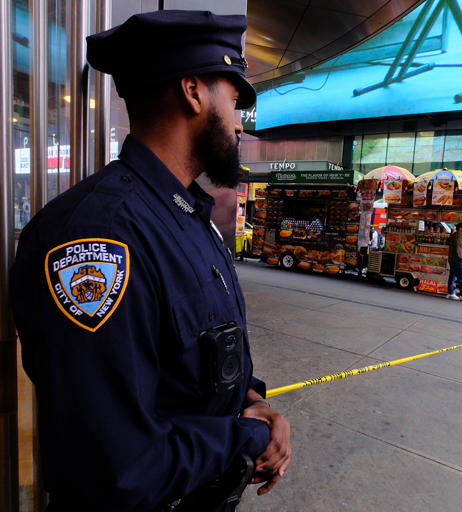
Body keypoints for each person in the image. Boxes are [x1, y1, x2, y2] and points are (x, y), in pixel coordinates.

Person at [9, 11, 291, 510]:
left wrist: (253, 402)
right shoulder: (99, 239)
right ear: (193, 92)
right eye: (235, 98)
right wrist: (245, 438)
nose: (241, 122)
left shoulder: (186, 216)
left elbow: (190, 362)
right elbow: (115, 468)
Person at [447, 222, 462, 303]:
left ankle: (451, 293)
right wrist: (461, 258)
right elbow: (458, 249)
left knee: (453, 276)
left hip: (453, 259)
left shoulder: (458, 236)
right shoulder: (457, 236)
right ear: (461, 228)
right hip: (457, 260)